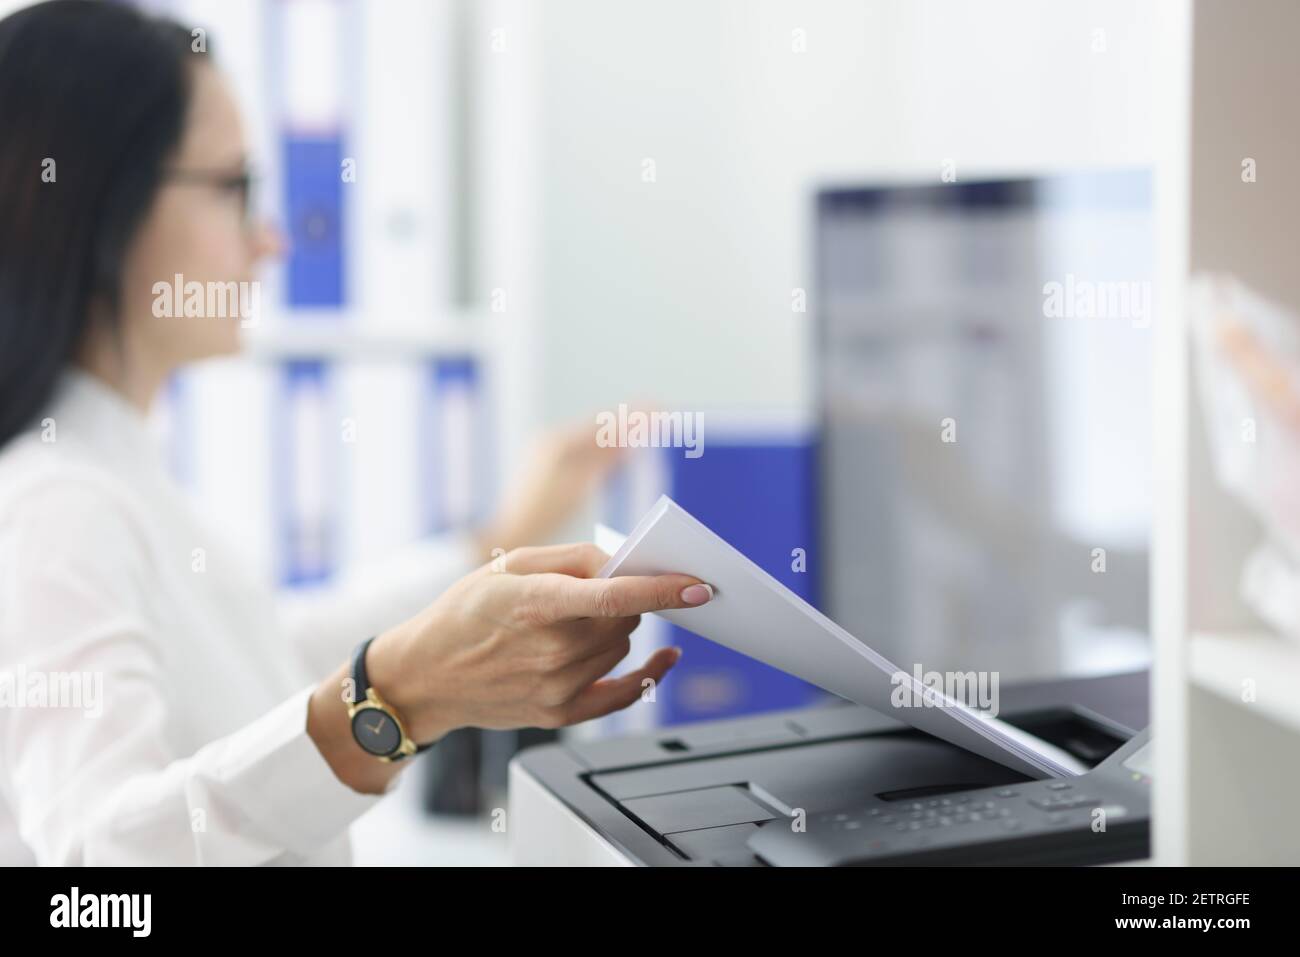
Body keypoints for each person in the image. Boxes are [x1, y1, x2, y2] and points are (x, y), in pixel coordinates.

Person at [0, 0, 713, 865]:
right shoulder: (56, 504)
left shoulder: (112, 477)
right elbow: (95, 869)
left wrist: (498, 541)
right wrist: (394, 702)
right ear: (101, 201)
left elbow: (258, 651)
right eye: (234, 187)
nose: (269, 238)